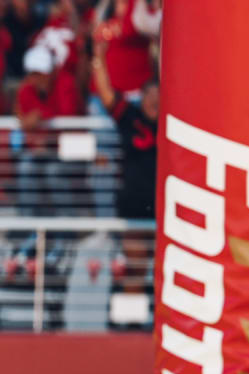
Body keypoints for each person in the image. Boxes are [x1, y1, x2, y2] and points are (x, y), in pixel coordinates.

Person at [93, 38, 156, 298]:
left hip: (164, 205)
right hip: (133, 205)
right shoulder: (130, 117)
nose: (155, 103)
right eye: (150, 98)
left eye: (159, 98)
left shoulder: (173, 120)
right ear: (142, 99)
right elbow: (106, 92)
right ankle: (132, 323)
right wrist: (98, 56)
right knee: (137, 263)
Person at [15, 45, 84, 217]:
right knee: (25, 167)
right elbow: (25, 120)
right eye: (35, 74)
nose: (39, 79)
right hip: (44, 151)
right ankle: (28, 227)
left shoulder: (65, 82)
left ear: (51, 71)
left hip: (73, 149)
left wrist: (40, 115)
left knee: (53, 171)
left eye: (42, 73)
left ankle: (66, 228)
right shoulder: (27, 89)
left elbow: (69, 117)